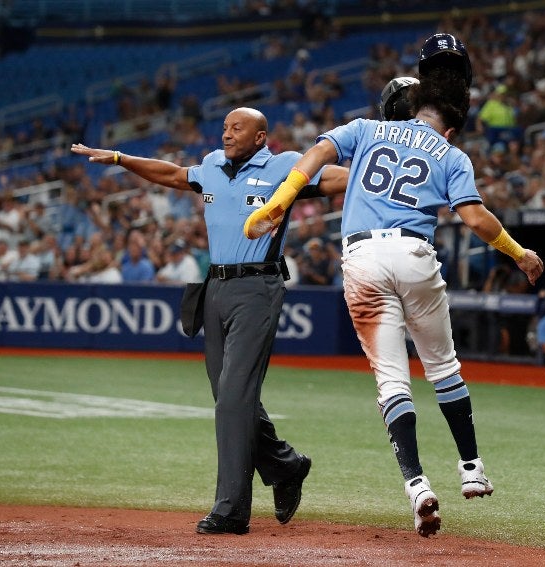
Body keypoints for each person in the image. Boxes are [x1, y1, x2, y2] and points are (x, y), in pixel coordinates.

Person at [244, 34, 543, 538]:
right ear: (451, 122)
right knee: (443, 367)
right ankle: (471, 468)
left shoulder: (367, 129)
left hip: (362, 257)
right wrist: (519, 253)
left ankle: (417, 486)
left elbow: (318, 151)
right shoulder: (450, 154)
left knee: (391, 381)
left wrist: (284, 196)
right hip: (414, 253)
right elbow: (474, 217)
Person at [71, 106, 348, 536]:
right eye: (224, 127)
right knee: (229, 397)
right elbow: (171, 175)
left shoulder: (285, 166)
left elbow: (336, 179)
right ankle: (286, 465)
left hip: (258, 288)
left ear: (260, 137)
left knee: (233, 398)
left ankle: (231, 510)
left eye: (238, 128)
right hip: (214, 288)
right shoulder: (213, 167)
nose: (227, 134)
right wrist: (123, 159)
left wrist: (378, 173)